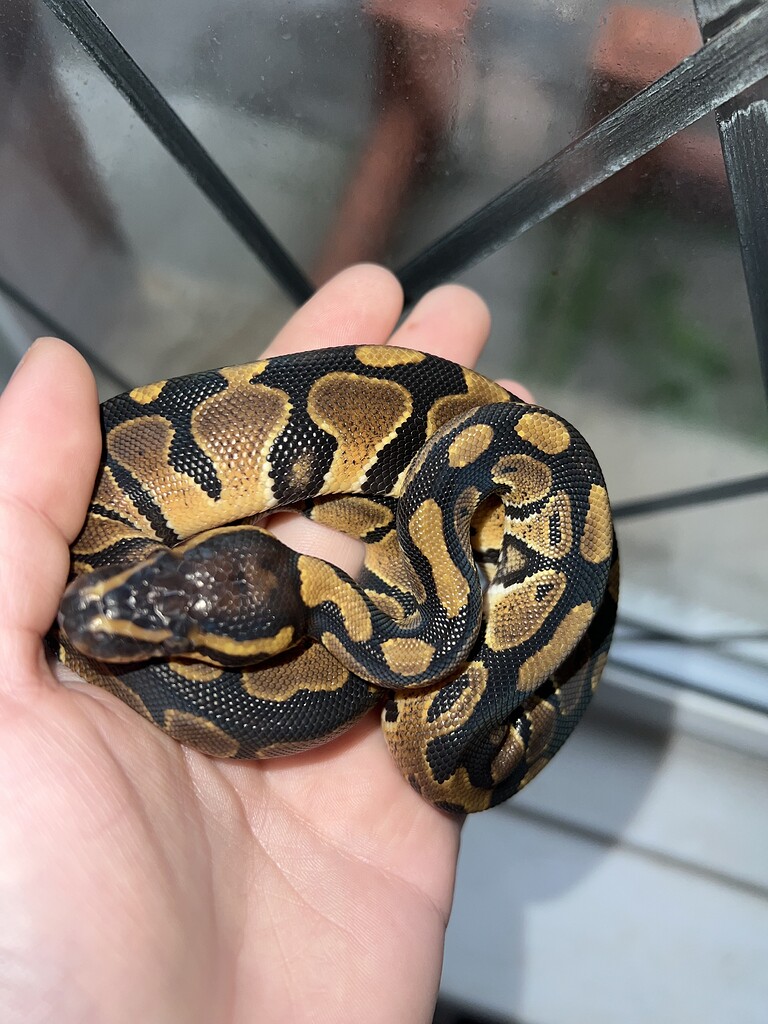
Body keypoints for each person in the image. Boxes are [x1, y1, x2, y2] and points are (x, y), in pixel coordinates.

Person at [0, 265, 530, 1024]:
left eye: (183, 632)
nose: (93, 607)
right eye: (168, 572)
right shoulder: (357, 626)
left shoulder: (369, 640)